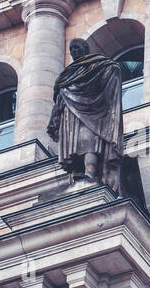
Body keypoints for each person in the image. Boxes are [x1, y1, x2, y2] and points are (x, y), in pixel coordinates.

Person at [46, 39, 124, 190]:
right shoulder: (67, 73)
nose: (74, 51)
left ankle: (90, 172)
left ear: (86, 48)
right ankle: (77, 174)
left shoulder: (97, 64)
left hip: (92, 113)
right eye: (71, 49)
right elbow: (59, 94)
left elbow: (113, 69)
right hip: (70, 115)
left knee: (89, 142)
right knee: (74, 146)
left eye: (77, 47)